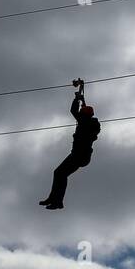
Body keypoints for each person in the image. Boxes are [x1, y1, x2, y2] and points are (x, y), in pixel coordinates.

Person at [40, 79, 100, 210]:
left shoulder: (88, 124)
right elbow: (76, 112)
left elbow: (76, 113)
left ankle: (56, 201)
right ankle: (55, 199)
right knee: (59, 173)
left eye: (82, 115)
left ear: (86, 116)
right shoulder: (88, 122)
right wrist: (79, 99)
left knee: (59, 173)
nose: (79, 116)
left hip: (80, 156)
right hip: (78, 155)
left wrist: (78, 99)